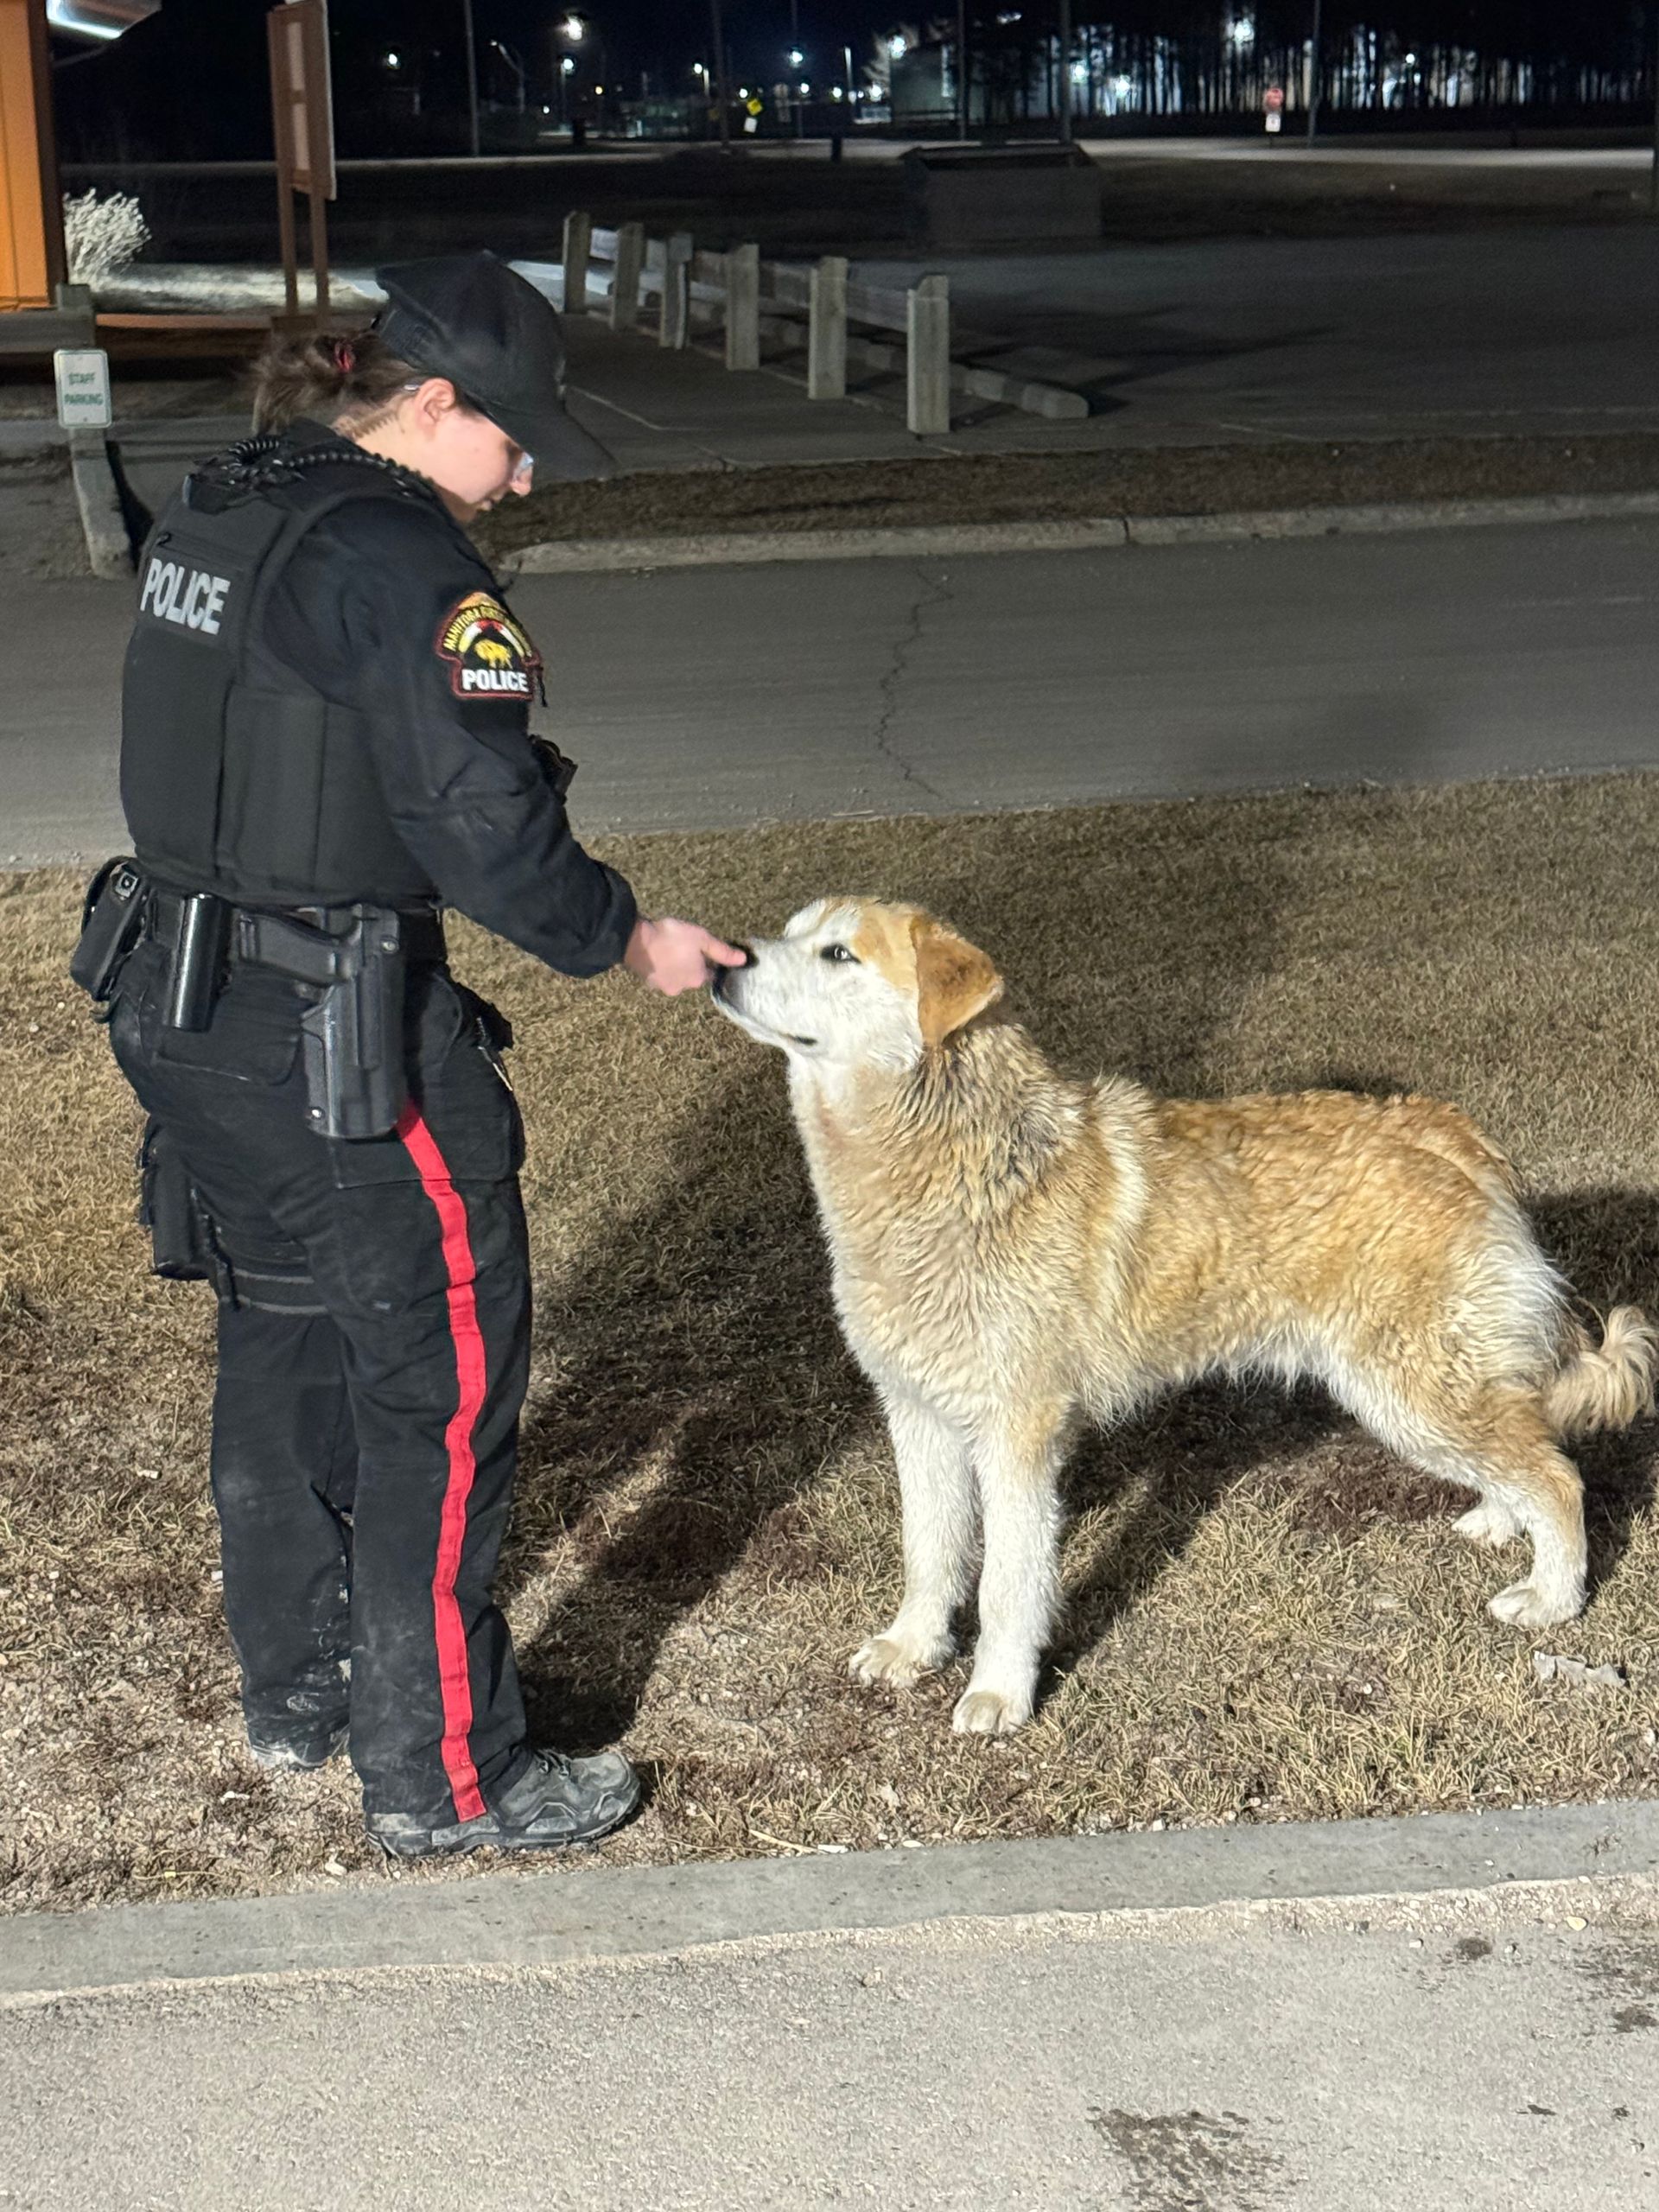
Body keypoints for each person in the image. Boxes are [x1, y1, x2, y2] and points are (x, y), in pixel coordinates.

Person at [75, 251, 745, 1858]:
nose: (523, 474)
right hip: (338, 1038)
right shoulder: (403, 568)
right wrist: (627, 936)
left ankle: (299, 1690)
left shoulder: (234, 505)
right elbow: (480, 825)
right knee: (436, 1393)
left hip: (180, 1004)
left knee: (287, 1333)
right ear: (428, 405)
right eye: (510, 438)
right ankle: (447, 1772)